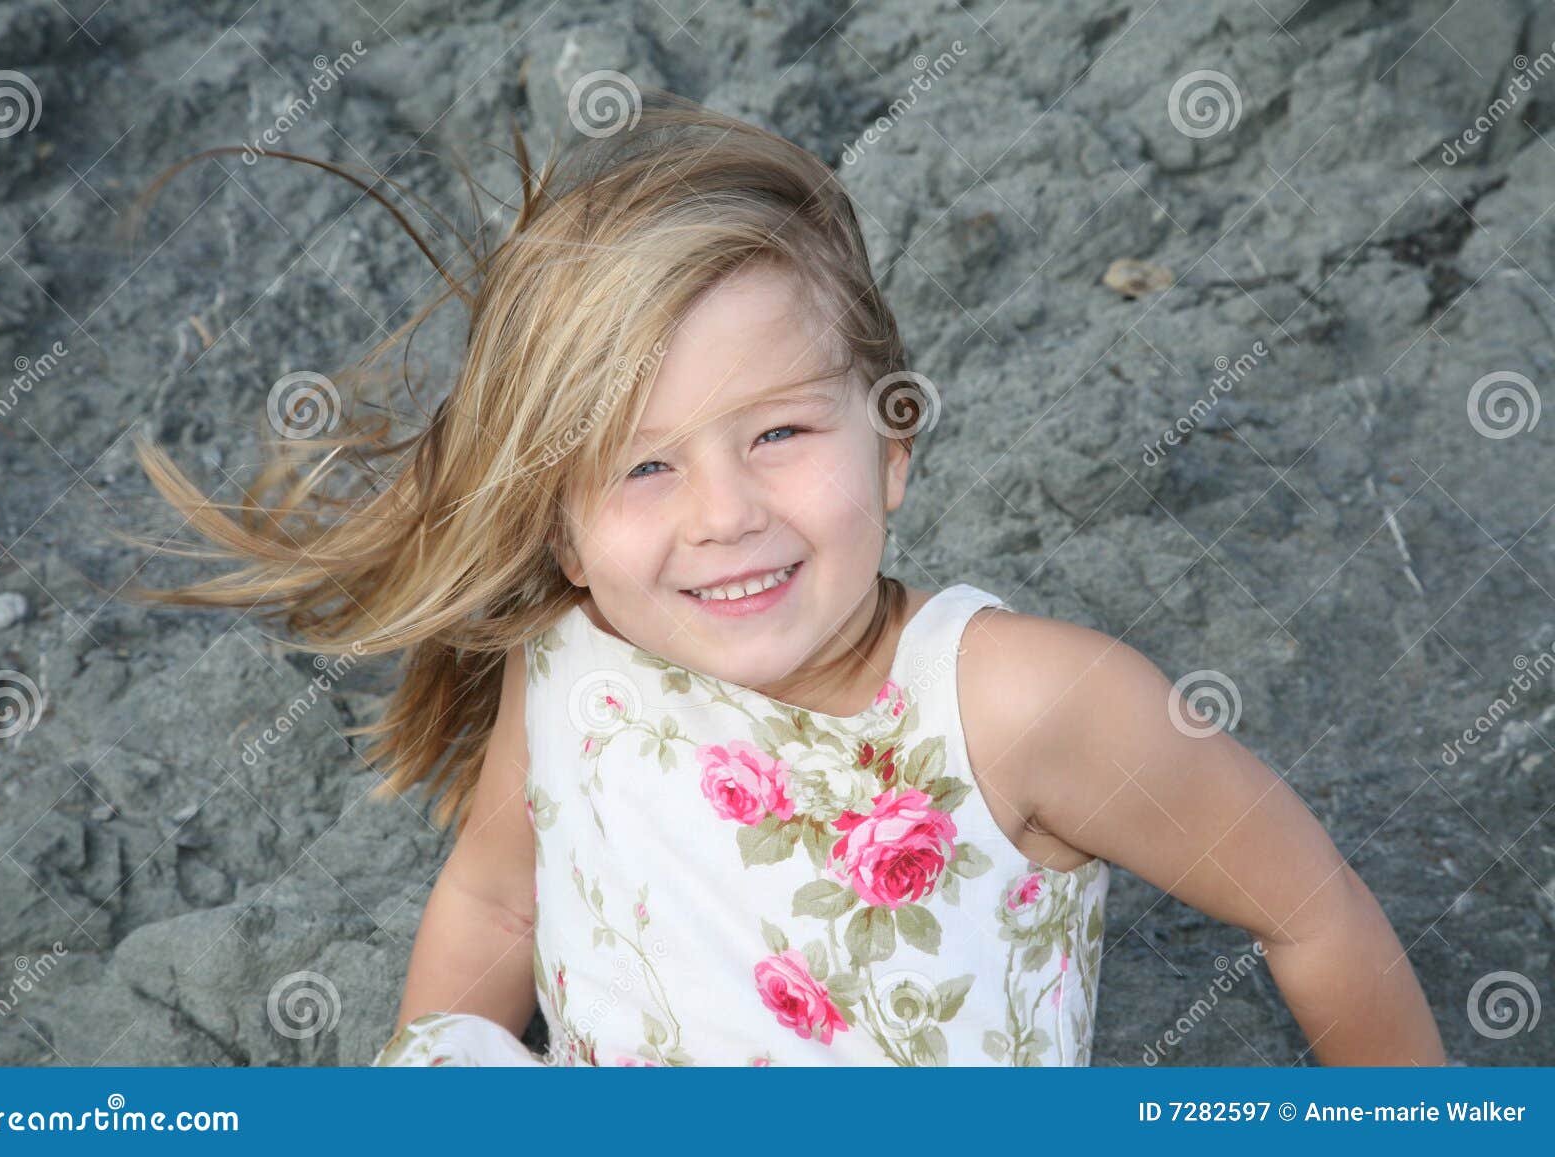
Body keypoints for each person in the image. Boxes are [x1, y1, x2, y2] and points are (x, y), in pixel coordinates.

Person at [128, 91, 1447, 1067]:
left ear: (891, 441)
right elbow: (496, 890)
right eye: (643, 466)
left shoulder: (1024, 705)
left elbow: (1309, 908)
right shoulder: (572, 655)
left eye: (779, 433)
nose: (724, 513)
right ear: (566, 536)